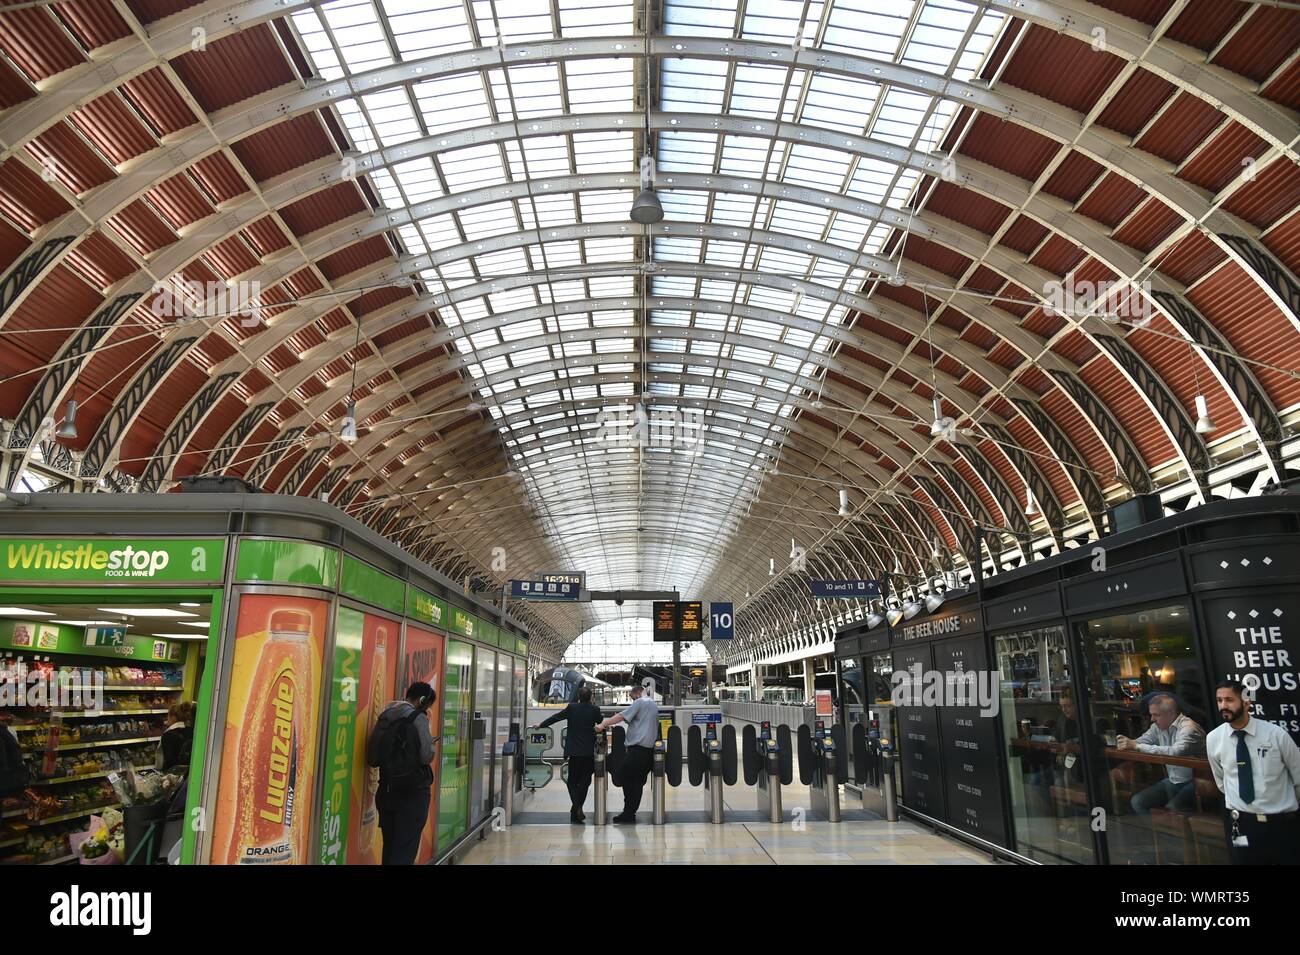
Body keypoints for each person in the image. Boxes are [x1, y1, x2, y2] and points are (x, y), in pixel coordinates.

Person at [1206, 680, 1300, 864]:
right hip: (1242, 823)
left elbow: (1298, 776)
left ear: (1247, 702)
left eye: (1229, 700)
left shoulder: (1275, 734)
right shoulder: (1214, 738)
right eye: (1219, 700)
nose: (1223, 705)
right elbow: (1221, 780)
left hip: (1281, 823)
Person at [369, 681, 438, 865]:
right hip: (413, 793)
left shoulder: (385, 715)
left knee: (390, 846)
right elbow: (426, 756)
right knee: (405, 849)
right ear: (422, 700)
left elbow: (373, 757)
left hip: (387, 792)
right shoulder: (418, 718)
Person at [1118, 693, 1205, 815]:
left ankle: (1181, 833)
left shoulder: (1188, 728)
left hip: (1197, 782)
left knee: (1173, 809)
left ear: (1171, 714)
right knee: (1138, 801)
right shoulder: (1157, 727)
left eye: (1156, 715)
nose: (1152, 719)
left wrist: (1136, 746)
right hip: (1174, 781)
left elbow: (1176, 752)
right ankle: (1158, 833)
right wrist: (1126, 742)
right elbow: (1141, 741)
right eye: (1151, 714)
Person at [536, 686, 602, 824]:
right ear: (590, 698)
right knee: (585, 781)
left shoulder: (572, 708)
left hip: (574, 752)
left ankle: (576, 807)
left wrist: (541, 725)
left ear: (578, 697)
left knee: (572, 781)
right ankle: (577, 808)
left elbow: (556, 717)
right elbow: (601, 723)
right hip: (588, 752)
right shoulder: (595, 709)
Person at [596, 682, 658, 823]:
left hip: (637, 751)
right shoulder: (653, 705)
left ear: (637, 693)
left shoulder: (640, 702)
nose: (632, 701)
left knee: (620, 776)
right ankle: (629, 813)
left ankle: (628, 812)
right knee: (637, 783)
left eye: (632, 697)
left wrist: (602, 725)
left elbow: (620, 716)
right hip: (648, 753)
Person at [155, 700, 196, 772]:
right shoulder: (191, 731)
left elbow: (168, 760)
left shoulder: (168, 735)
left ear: (173, 717)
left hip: (172, 774)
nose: (167, 718)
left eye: (168, 715)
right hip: (188, 772)